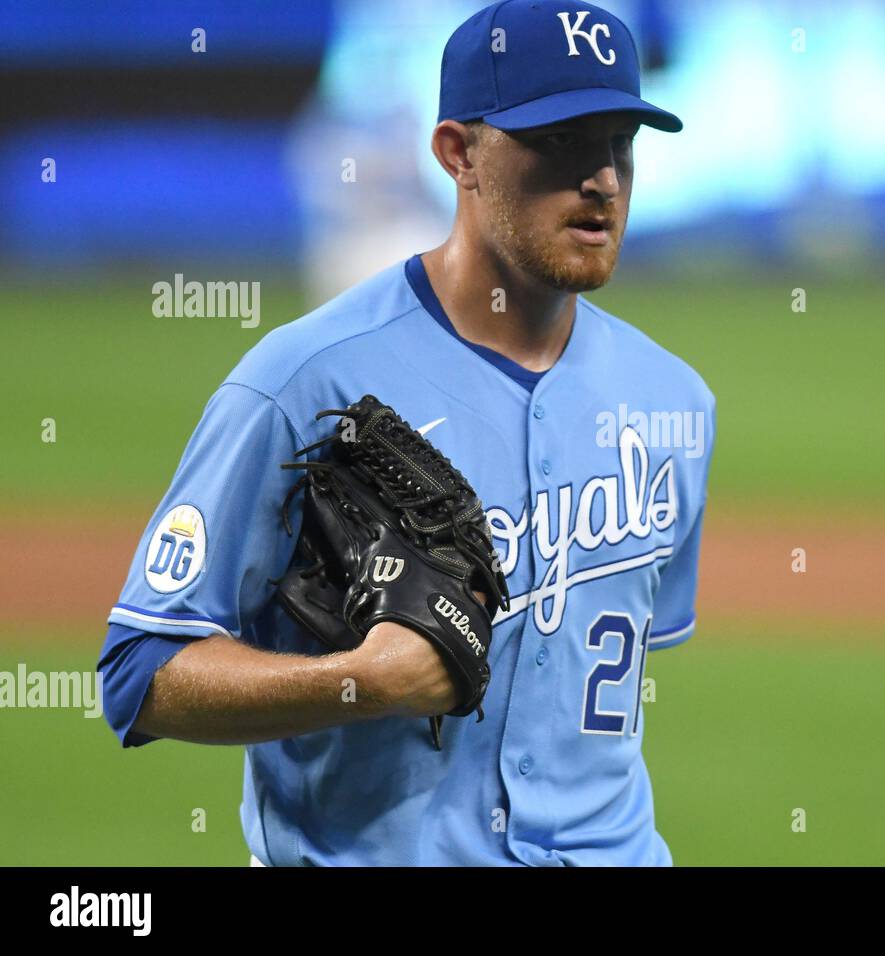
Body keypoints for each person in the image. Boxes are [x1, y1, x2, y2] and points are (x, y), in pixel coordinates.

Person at [98, 0, 714, 866]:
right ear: (458, 154)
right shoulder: (304, 381)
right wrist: (359, 681)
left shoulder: (674, 401)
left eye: (619, 141)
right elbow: (139, 674)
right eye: (560, 141)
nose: (602, 180)